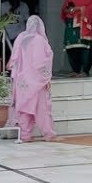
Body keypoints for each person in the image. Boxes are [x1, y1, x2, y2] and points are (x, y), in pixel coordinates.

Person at [7, 15, 58, 144]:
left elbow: (14, 59)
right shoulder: (41, 41)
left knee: (24, 108)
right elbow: (43, 62)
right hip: (37, 82)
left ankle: (25, 135)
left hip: (22, 81)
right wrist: (46, 79)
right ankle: (48, 134)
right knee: (42, 109)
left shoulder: (20, 38)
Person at [60, 0, 92, 77]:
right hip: (71, 25)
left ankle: (85, 71)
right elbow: (64, 9)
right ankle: (75, 69)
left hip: (83, 25)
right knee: (71, 48)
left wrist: (79, 9)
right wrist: (67, 10)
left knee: (85, 48)